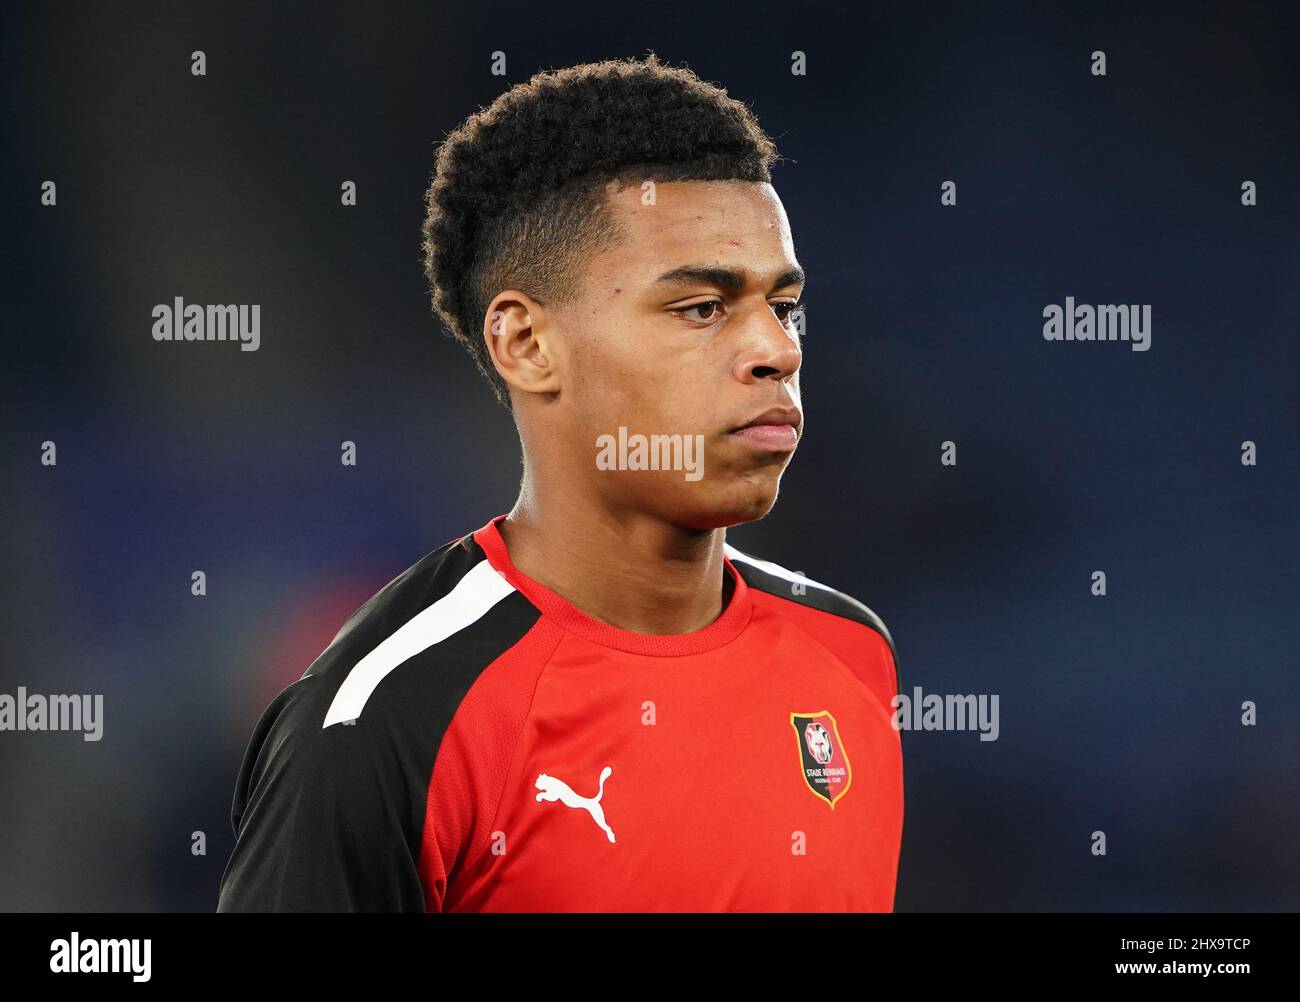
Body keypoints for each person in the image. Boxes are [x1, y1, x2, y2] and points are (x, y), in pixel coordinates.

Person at [217, 53, 902, 912]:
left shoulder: (848, 652)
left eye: (784, 305)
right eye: (701, 307)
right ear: (528, 345)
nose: (777, 349)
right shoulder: (388, 719)